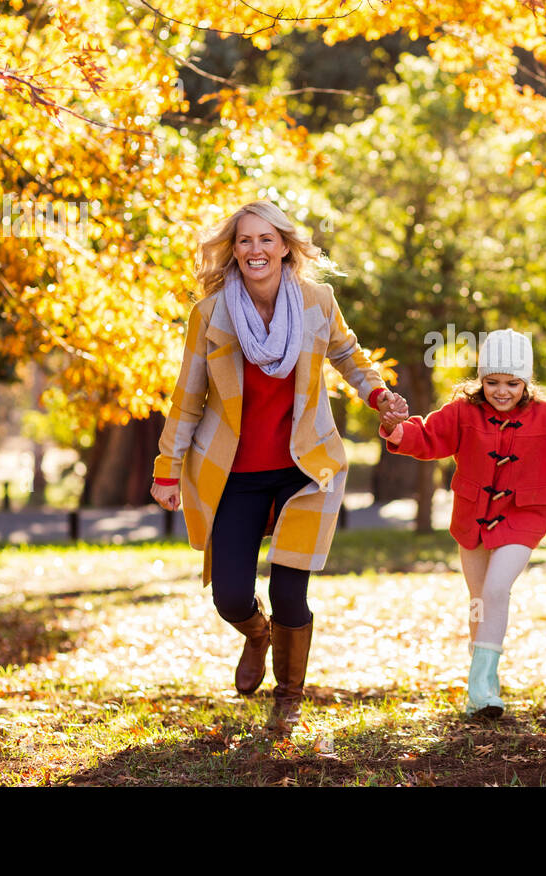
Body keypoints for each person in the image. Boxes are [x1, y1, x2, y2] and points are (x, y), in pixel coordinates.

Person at [150, 198, 407, 735]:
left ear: (286, 246)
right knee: (228, 596)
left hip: (305, 468)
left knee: (292, 591)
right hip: (235, 473)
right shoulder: (212, 313)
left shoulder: (316, 301)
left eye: (266, 239)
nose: (255, 249)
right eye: (245, 240)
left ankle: (289, 697)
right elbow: (188, 396)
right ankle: (256, 634)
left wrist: (378, 394)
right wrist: (166, 469)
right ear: (233, 250)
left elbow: (348, 355)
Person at [378, 329, 546, 718]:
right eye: (492, 382)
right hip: (472, 517)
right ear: (480, 380)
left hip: (524, 516)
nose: (501, 391)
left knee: (498, 587)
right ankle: (482, 684)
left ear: (526, 382)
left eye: (512, 383)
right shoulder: (462, 413)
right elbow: (429, 437)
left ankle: (481, 687)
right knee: (479, 600)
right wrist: (396, 429)